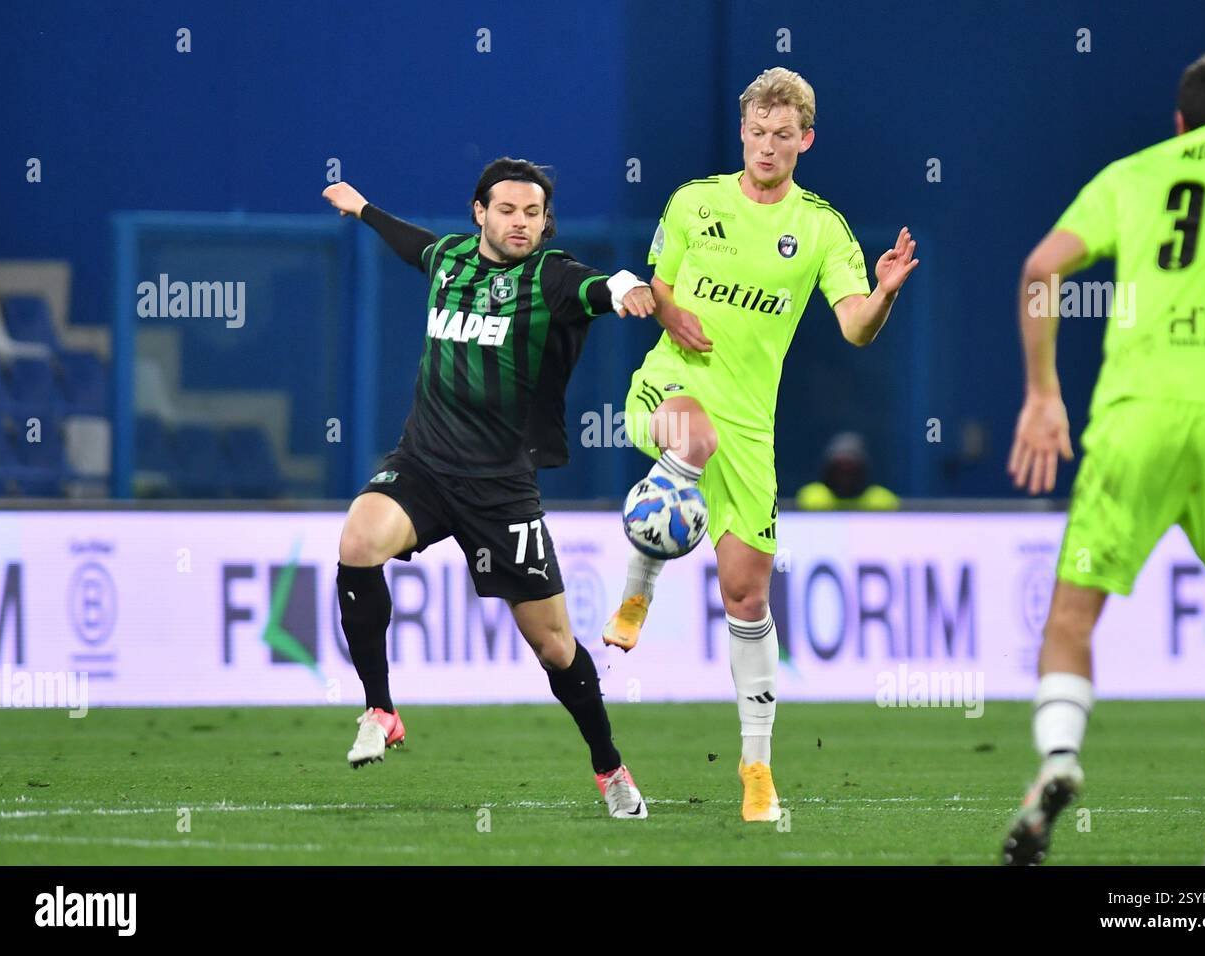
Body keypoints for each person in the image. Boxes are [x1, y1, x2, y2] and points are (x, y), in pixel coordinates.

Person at [603, 67, 919, 821]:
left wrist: (883, 295)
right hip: (670, 388)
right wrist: (670, 316)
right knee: (692, 434)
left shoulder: (820, 228)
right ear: (742, 133)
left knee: (746, 598)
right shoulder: (694, 201)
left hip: (750, 430)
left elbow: (854, 325)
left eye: (784, 135)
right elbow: (663, 285)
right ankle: (637, 592)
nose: (768, 145)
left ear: (804, 140)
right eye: (757, 131)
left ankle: (756, 770)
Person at [1004, 50, 1205, 865]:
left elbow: (1041, 269)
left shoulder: (1135, 174)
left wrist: (1044, 394)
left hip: (1139, 416)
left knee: (1071, 617)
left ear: (1179, 123)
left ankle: (1059, 760)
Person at [322, 158, 656, 819]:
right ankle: (382, 710)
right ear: (480, 212)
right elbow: (410, 240)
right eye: (507, 210)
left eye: (533, 213)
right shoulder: (448, 259)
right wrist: (362, 209)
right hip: (424, 466)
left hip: (501, 490)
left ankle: (608, 765)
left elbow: (597, 289)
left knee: (555, 648)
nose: (521, 223)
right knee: (359, 541)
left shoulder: (552, 277)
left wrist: (624, 289)